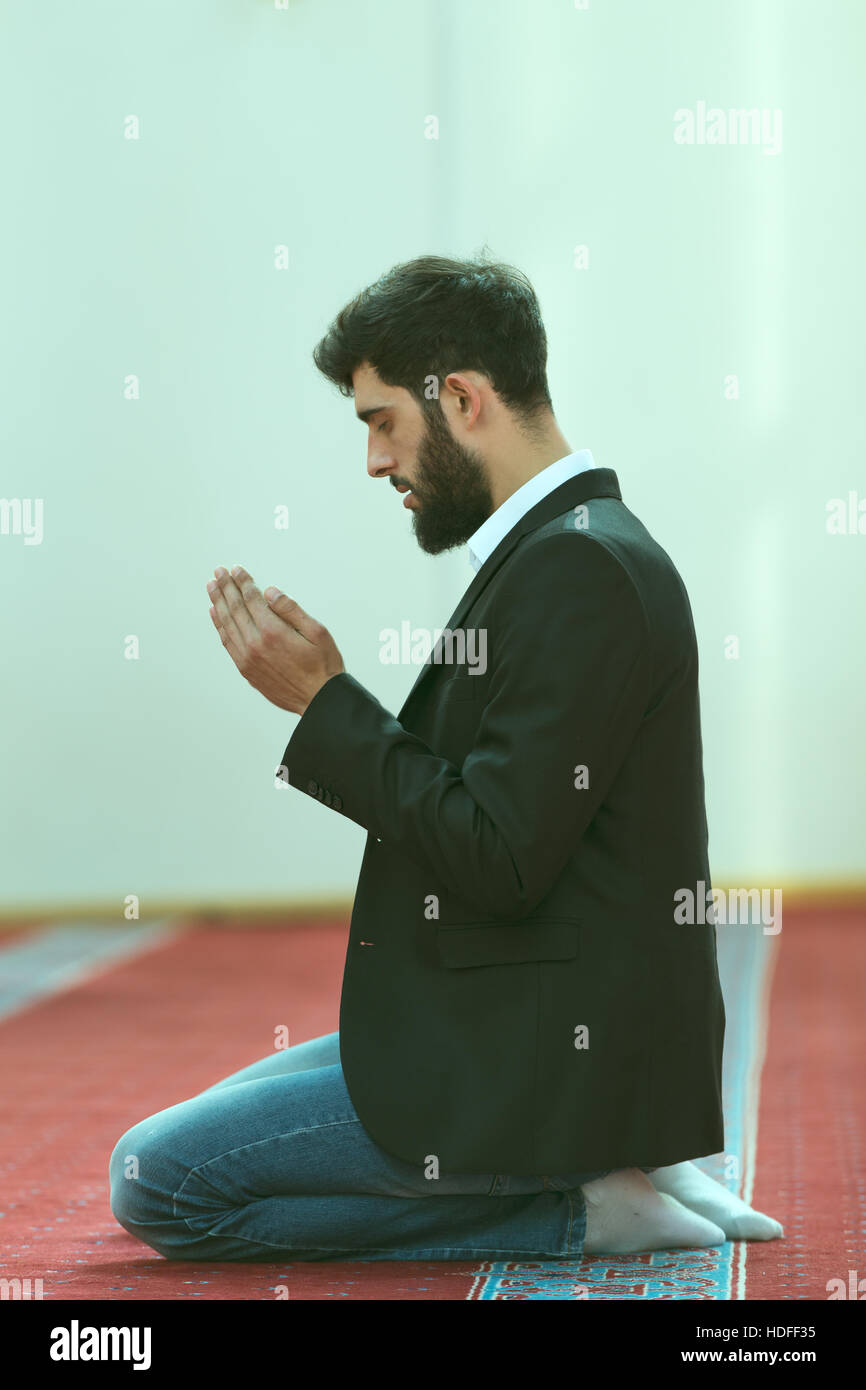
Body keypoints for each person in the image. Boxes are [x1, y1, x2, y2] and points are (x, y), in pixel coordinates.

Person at [110, 255, 782, 1261]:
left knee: (157, 1179)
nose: (375, 461)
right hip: (522, 1022)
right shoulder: (572, 545)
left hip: (538, 1060)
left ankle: (582, 1202)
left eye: (381, 421)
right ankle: (636, 1158)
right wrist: (333, 702)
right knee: (213, 1114)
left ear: (461, 398)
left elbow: (497, 859)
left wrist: (324, 705)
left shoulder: (574, 569)